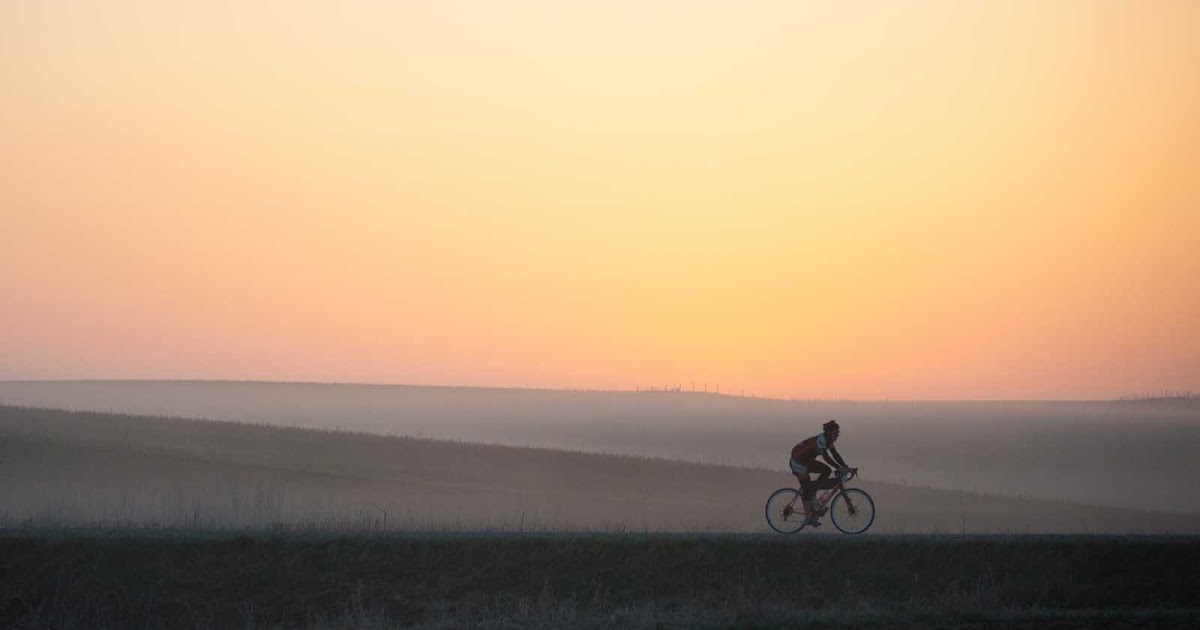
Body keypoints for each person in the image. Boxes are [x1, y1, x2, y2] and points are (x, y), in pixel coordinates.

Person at [789, 419, 853, 526]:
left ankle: (813, 494)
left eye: (838, 433)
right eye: (836, 433)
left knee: (826, 470)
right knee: (807, 489)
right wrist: (839, 467)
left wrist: (846, 467)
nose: (838, 435)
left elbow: (835, 454)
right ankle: (807, 518)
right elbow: (827, 458)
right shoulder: (822, 440)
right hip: (798, 462)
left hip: (806, 461)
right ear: (830, 433)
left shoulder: (829, 441)